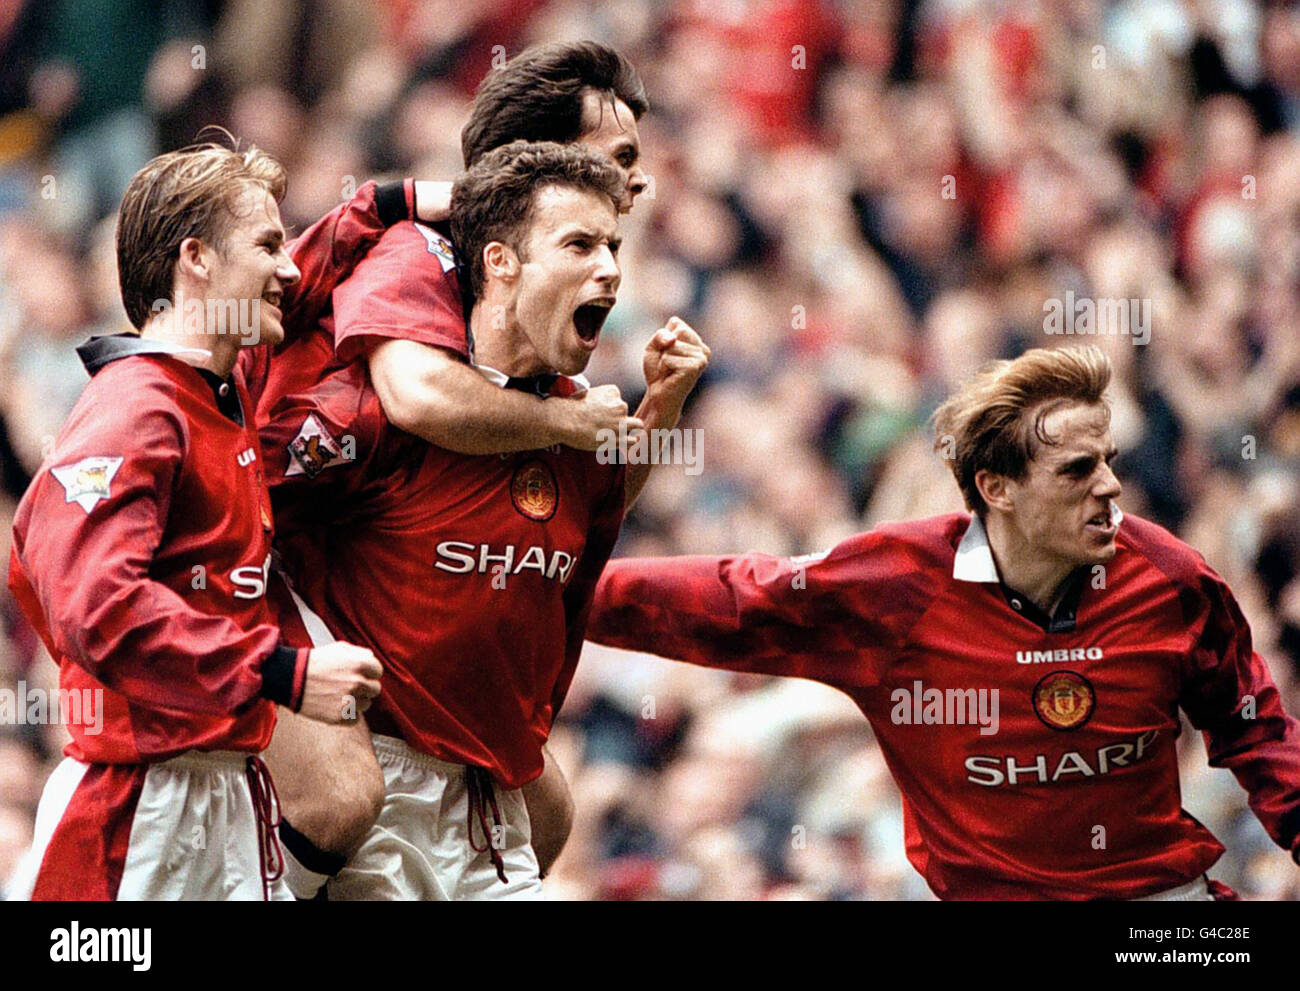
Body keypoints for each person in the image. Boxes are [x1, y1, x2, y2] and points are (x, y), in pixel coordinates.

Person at [586, 345, 1300, 900]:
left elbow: (1259, 733)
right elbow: (734, 596)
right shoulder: (893, 588)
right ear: (997, 489)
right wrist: (548, 584)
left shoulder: (1168, 576)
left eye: (1108, 462)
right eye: (1078, 470)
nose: (1111, 486)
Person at [246, 40, 655, 895]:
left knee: (545, 806)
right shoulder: (425, 253)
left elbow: (596, 492)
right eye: (617, 159)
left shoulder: (547, 351)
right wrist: (573, 422)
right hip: (271, 551)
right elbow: (416, 395)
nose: (638, 180)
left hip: (455, 768)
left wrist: (651, 414)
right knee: (341, 799)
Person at [5, 138, 383, 901]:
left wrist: (392, 205)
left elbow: (311, 278)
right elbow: (97, 610)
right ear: (197, 259)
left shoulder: (217, 391)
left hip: (228, 799)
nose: (289, 267)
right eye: (268, 243)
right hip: (131, 814)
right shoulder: (133, 411)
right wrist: (283, 669)